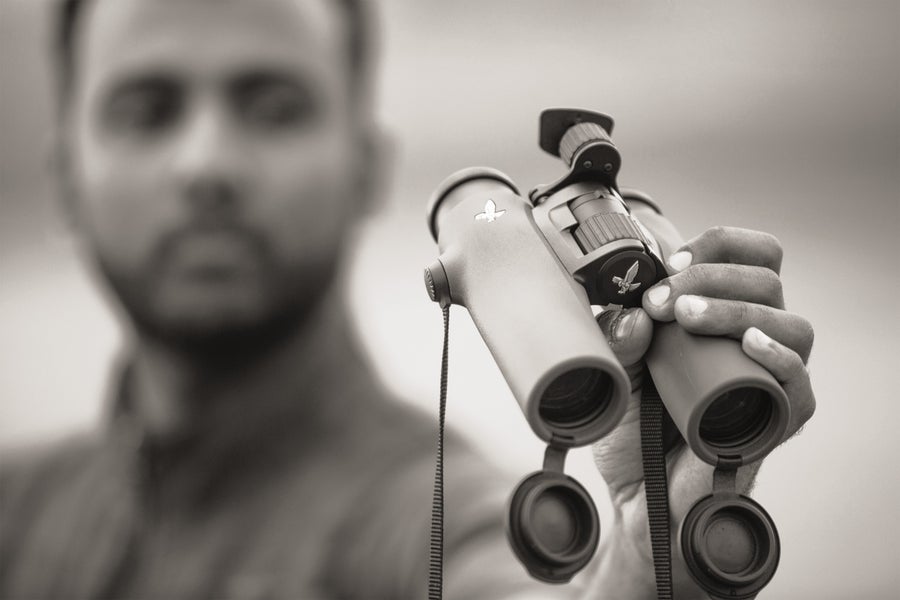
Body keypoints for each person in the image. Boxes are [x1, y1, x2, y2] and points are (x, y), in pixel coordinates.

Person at [0, 0, 816, 598]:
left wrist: (638, 571)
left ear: (367, 167)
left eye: (273, 108)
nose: (206, 163)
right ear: (64, 177)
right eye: (147, 112)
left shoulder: (431, 514)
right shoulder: (19, 508)